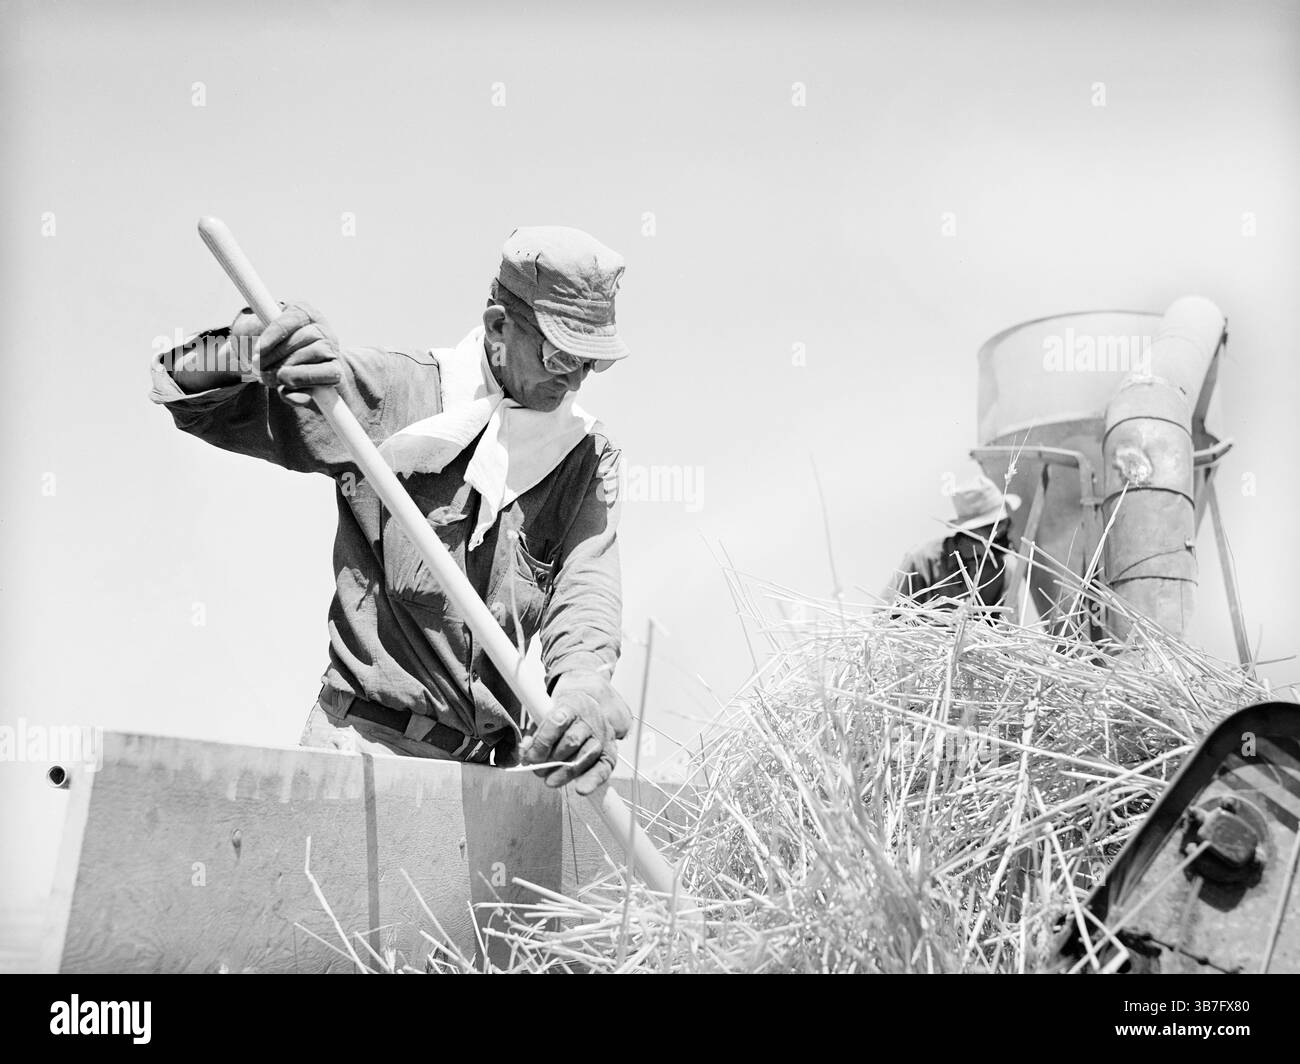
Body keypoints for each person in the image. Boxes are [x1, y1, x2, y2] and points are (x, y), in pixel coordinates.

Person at [150, 226, 633, 796]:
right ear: (499, 326)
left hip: (490, 781)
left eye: (588, 362)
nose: (573, 378)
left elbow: (587, 586)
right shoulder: (388, 395)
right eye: (557, 354)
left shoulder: (582, 456)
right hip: (362, 754)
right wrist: (242, 352)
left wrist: (582, 684)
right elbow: (187, 392)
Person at [885, 474, 1020, 611]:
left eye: (1005, 523)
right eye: (994, 527)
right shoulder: (922, 561)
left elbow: (1007, 626)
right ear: (970, 532)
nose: (1006, 532)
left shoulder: (1006, 569)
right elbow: (885, 615)